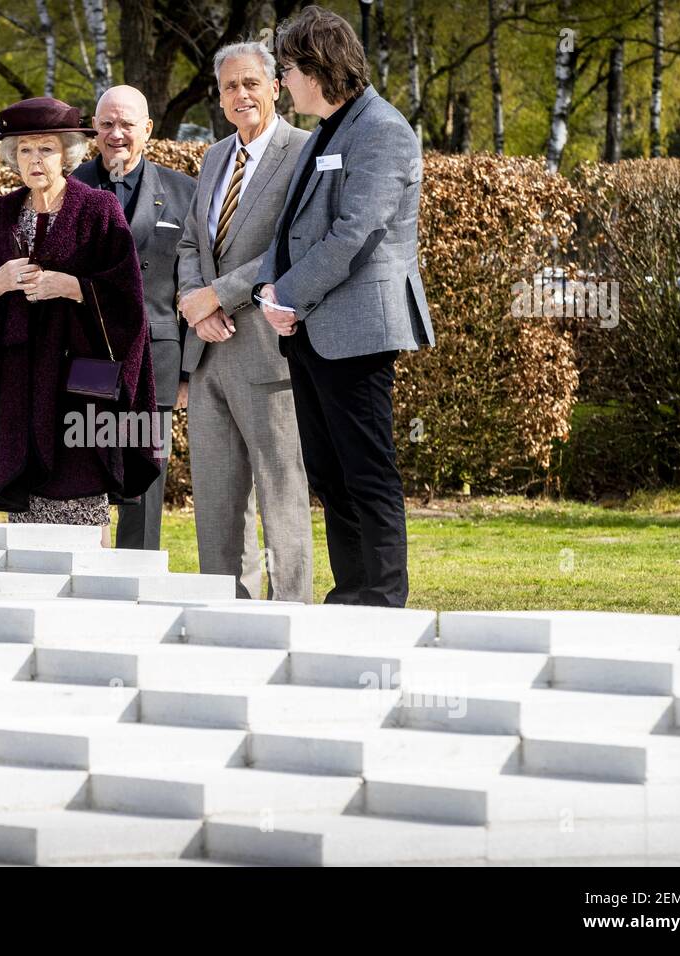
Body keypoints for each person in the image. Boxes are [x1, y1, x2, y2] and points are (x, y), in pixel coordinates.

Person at [256, 6, 435, 607]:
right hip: (309, 328)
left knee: (366, 470)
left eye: (286, 69)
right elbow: (287, 228)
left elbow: (354, 234)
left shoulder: (382, 129)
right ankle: (352, 593)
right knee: (330, 474)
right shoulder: (329, 130)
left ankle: (383, 597)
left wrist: (288, 294)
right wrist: (267, 290)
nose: (282, 82)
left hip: (357, 330)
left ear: (318, 66)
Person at [0, 97, 160, 543]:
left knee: (84, 499)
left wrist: (73, 287)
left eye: (46, 149)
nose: (35, 159)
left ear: (67, 154)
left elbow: (129, 300)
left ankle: (91, 599)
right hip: (18, 384)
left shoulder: (98, 210)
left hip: (81, 383)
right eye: (24, 149)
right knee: (26, 511)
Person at [177, 41, 314, 602]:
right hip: (208, 355)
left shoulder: (303, 150)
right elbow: (190, 241)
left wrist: (218, 297)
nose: (241, 95)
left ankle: (291, 612)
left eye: (251, 83)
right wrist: (193, 300)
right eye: (230, 86)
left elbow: (294, 246)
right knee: (216, 500)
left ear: (275, 87)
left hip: (266, 349)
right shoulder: (213, 157)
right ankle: (224, 612)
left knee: (281, 491)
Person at [72, 85, 196, 551]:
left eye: (126, 124)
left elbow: (196, 284)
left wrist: (187, 373)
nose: (116, 134)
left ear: (147, 129)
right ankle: (86, 580)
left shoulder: (184, 191)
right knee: (86, 468)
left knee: (144, 478)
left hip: (155, 358)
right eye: (106, 124)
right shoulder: (71, 188)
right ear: (94, 130)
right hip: (87, 356)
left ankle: (136, 585)